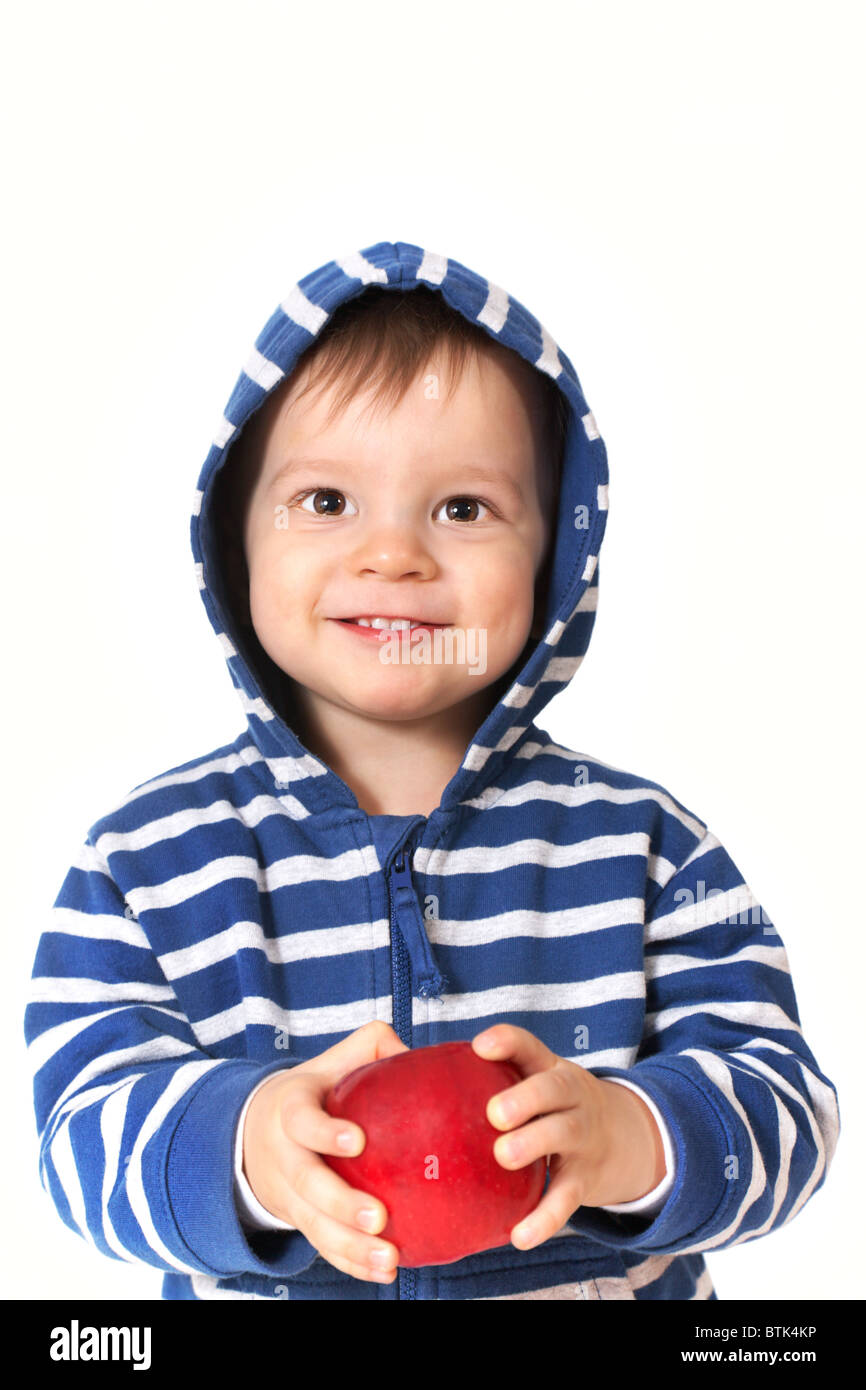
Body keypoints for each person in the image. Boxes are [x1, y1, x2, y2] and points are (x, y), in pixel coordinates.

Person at [24, 240, 840, 1301]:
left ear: (553, 560)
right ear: (231, 540)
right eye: (325, 502)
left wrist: (629, 1133)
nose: (393, 555)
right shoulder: (146, 862)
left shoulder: (644, 847)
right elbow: (78, 1138)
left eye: (462, 508)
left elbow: (786, 1107)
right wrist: (247, 1149)